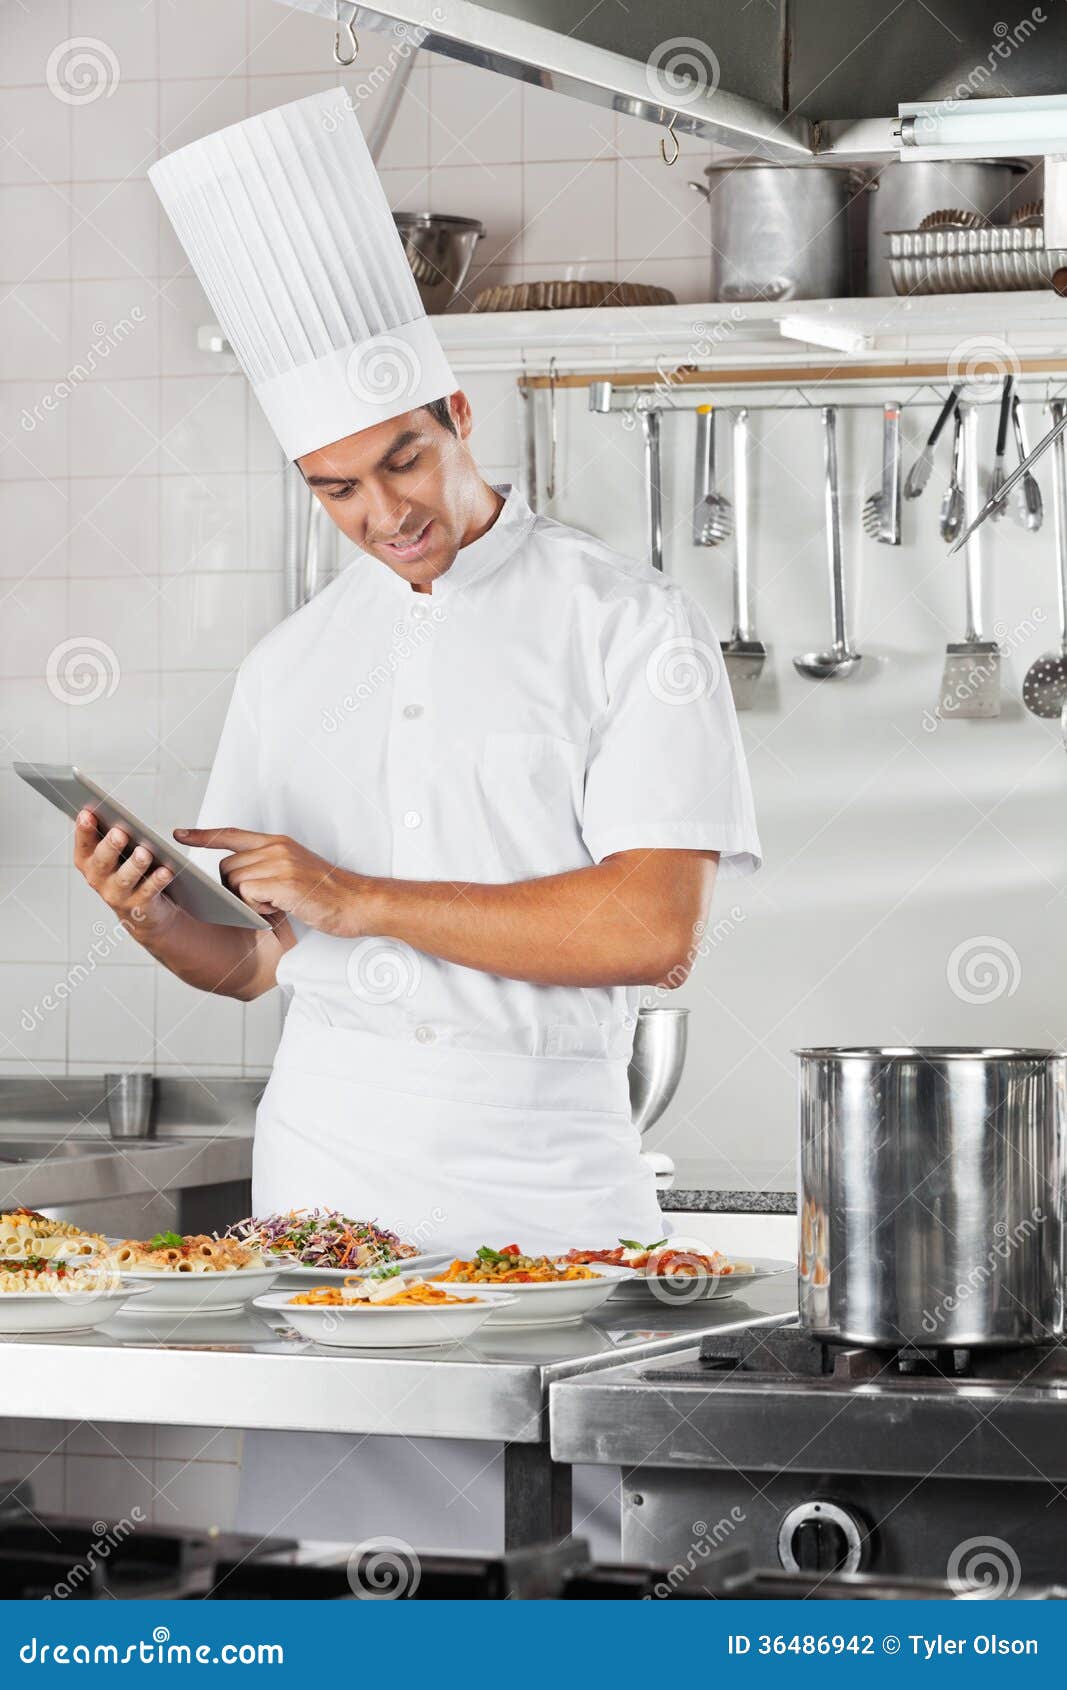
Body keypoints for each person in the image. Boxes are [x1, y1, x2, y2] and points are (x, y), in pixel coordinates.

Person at [73, 88, 761, 1255]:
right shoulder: (289, 663)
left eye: (403, 461)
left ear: (456, 412)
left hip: (543, 1185)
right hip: (324, 1180)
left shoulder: (627, 624)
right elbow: (255, 961)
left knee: (534, 1445)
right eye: (336, 489)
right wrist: (150, 916)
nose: (385, 513)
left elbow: (651, 929)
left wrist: (363, 897)